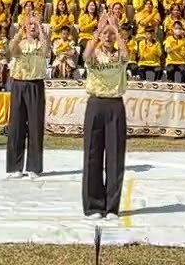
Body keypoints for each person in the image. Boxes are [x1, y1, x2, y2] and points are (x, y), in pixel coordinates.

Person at [82, 11, 130, 220]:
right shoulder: (95, 55)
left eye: (111, 35)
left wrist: (116, 28)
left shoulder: (119, 56)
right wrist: (100, 28)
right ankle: (93, 205)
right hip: (96, 104)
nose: (109, 38)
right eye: (105, 35)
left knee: (115, 156)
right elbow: (86, 54)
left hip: (115, 105)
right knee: (93, 154)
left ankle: (111, 206)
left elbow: (126, 54)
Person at [7, 10, 50, 179]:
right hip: (19, 84)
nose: (32, 27)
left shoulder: (41, 44)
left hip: (35, 85)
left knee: (35, 126)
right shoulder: (21, 42)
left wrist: (39, 26)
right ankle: (15, 166)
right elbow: (12, 49)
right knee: (16, 126)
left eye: (35, 24)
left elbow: (47, 51)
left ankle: (34, 166)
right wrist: (21, 28)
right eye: (30, 24)